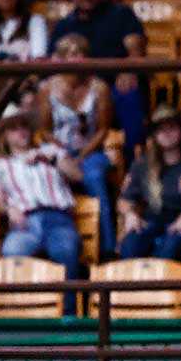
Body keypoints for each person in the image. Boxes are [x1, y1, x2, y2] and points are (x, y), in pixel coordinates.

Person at [49, 0, 145, 144]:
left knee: (129, 94)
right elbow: (53, 61)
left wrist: (128, 69)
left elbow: (136, 48)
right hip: (77, 88)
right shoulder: (65, 25)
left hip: (114, 83)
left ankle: (134, 160)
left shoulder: (121, 14)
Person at [38, 32, 114, 255]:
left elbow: (103, 129)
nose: (77, 58)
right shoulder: (47, 88)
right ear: (61, 58)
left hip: (90, 150)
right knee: (45, 175)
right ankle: (53, 243)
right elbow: (44, 130)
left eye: (81, 53)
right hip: (58, 149)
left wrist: (82, 154)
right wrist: (61, 152)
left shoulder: (99, 88)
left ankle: (107, 248)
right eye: (71, 53)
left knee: (95, 177)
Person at [0, 108, 83, 276]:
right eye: (14, 128)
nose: (21, 131)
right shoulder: (0, 166)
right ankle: (21, 303)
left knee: (67, 253)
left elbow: (78, 176)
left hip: (58, 218)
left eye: (24, 126)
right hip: (26, 222)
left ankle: (69, 303)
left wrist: (51, 160)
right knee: (11, 252)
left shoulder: (52, 152)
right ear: (5, 136)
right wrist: (9, 209)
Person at [117, 105, 181, 260]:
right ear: (154, 135)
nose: (166, 133)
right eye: (161, 129)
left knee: (168, 247)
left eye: (171, 127)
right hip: (153, 222)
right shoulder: (143, 165)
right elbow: (124, 201)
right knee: (130, 245)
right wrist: (130, 214)